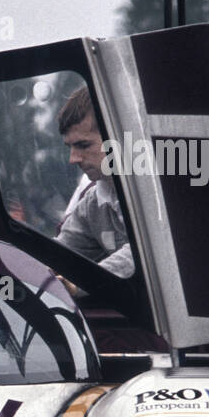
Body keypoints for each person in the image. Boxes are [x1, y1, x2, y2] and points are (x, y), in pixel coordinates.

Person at [52, 87, 134, 278]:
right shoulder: (92, 205)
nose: (73, 159)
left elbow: (145, 251)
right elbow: (58, 254)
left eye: (83, 145)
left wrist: (80, 284)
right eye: (70, 147)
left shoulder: (162, 193)